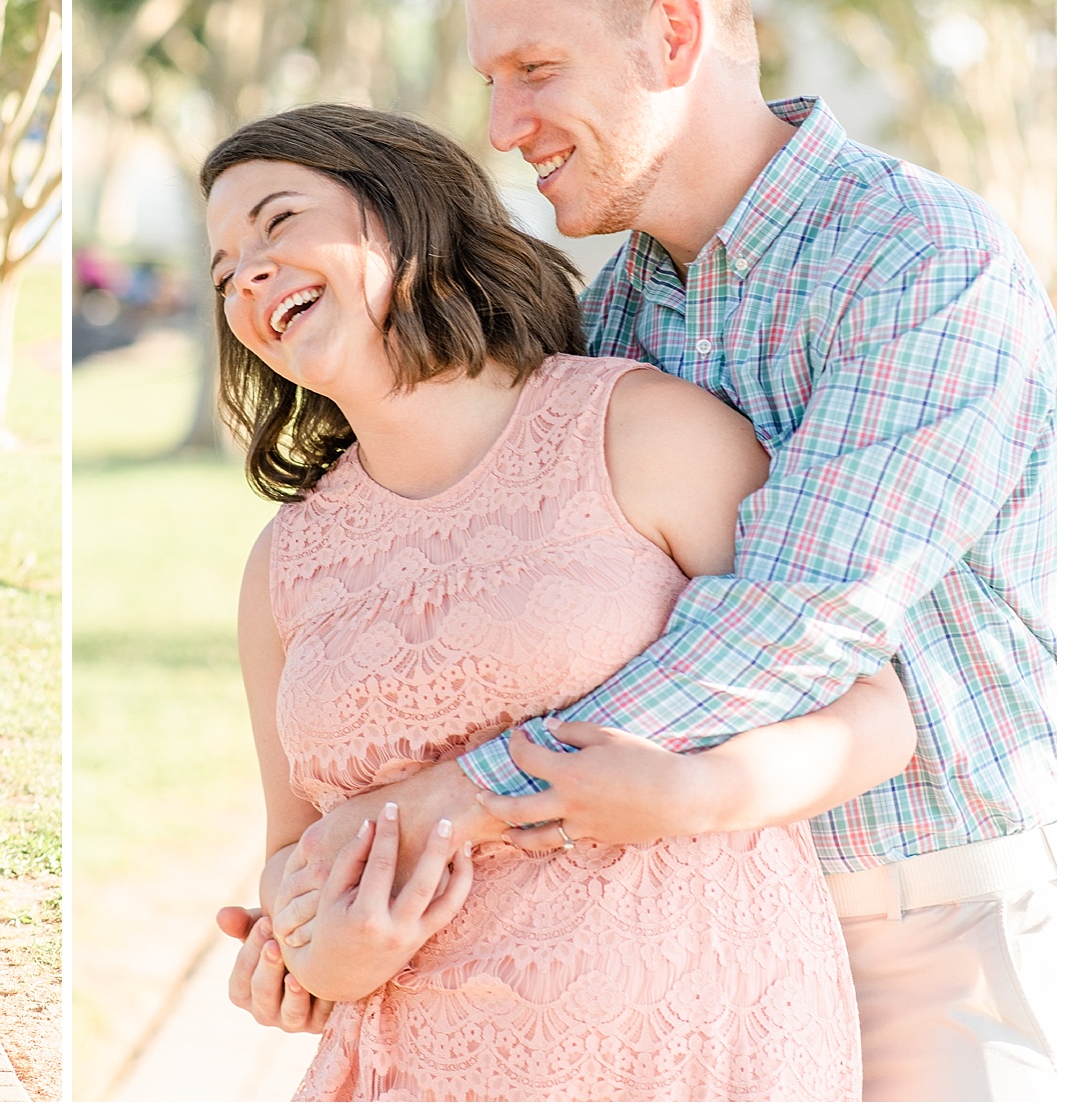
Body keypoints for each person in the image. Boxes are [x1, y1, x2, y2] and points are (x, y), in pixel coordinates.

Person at [225, 0, 1059, 1100]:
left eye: (533, 68)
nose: (502, 124)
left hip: (926, 918)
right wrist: (315, 923)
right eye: (490, 82)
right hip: (694, 934)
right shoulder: (608, 321)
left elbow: (802, 618)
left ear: (673, 32)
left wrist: (435, 805)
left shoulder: (917, 262)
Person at [205, 104, 922, 1098]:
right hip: (416, 1069)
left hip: (700, 1055)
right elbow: (293, 858)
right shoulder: (281, 563)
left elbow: (874, 714)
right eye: (223, 270)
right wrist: (325, 959)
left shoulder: (643, 431)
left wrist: (697, 794)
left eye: (279, 221)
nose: (246, 273)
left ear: (408, 214)